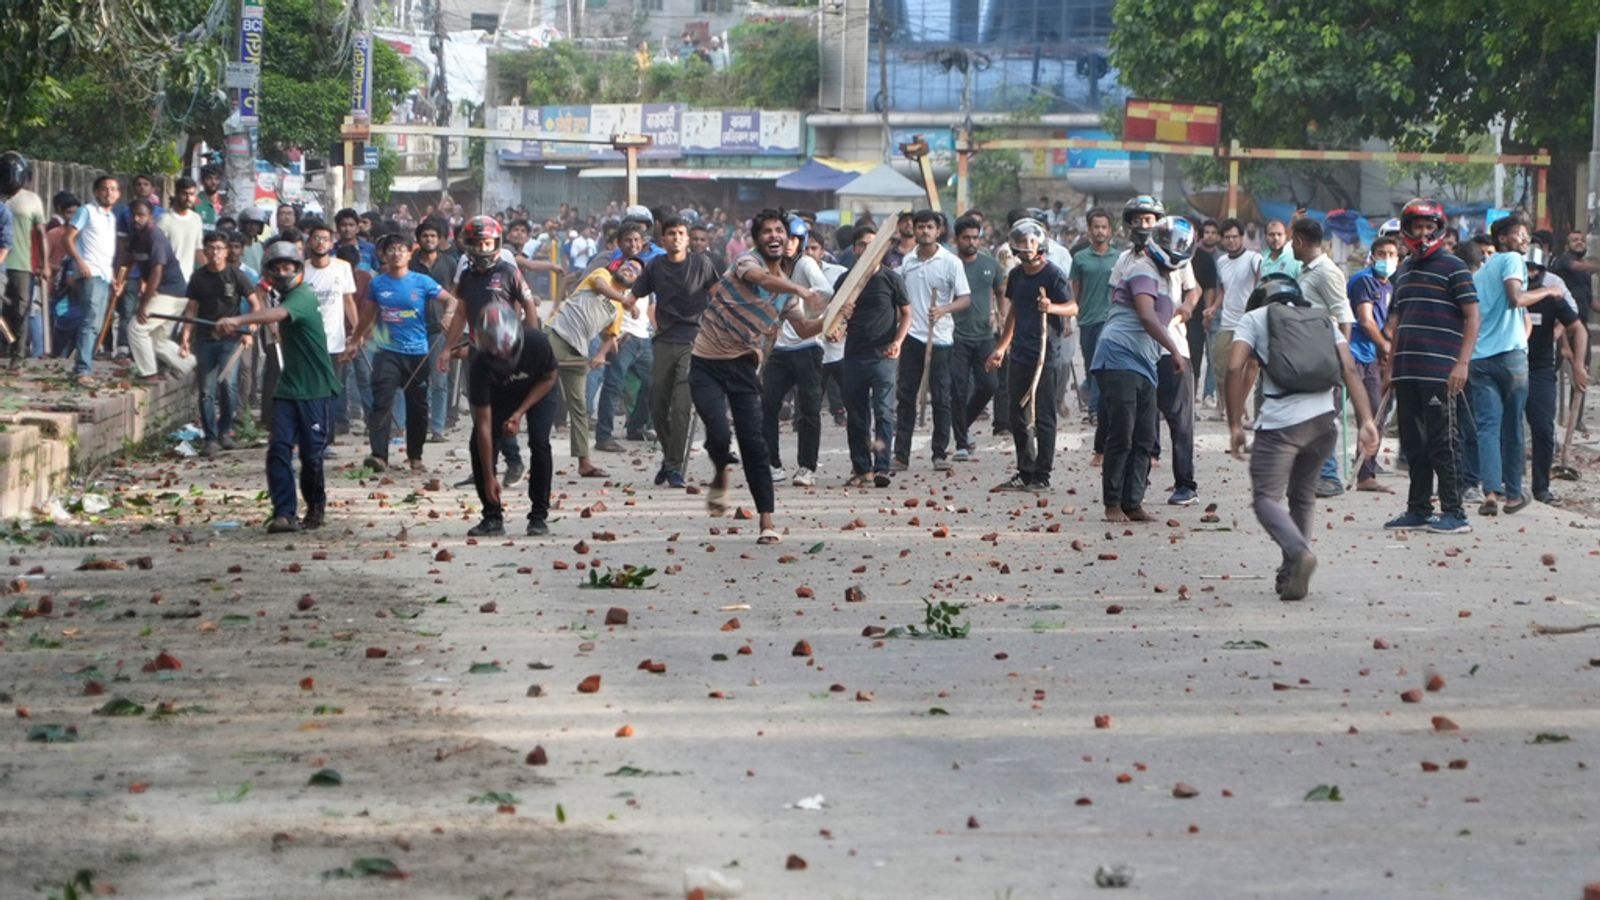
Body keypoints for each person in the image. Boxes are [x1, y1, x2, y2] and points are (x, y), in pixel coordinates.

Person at [1227, 275, 1378, 601]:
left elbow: (1234, 367)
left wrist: (1234, 424)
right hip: (1324, 423)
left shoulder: (1255, 318)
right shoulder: (1322, 318)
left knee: (1266, 498)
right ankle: (1291, 572)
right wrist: (1366, 420)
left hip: (1281, 425)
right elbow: (1349, 368)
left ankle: (1298, 552)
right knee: (1303, 496)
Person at [690, 210, 826, 543]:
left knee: (754, 444)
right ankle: (722, 469)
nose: (774, 236)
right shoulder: (746, 262)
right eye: (766, 231)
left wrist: (835, 319)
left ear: (790, 240)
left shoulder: (788, 295)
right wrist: (804, 291)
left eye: (779, 230)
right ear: (757, 239)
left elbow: (806, 327)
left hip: (744, 368)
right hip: (705, 363)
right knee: (719, 436)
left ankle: (767, 521)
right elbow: (763, 281)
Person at [214, 241, 341, 533]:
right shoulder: (279, 296)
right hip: (288, 388)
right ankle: (284, 513)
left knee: (311, 457)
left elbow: (278, 315)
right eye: (277, 269)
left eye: (288, 267)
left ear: (298, 269)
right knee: (278, 449)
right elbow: (267, 313)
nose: (283, 273)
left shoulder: (303, 295)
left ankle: (316, 504)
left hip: (316, 388)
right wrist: (236, 324)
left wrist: (237, 318)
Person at [1382, 198, 1480, 534]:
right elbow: (1397, 323)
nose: (1423, 234)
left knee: (1444, 443)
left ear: (1438, 230)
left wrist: (1462, 363)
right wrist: (1390, 368)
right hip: (1407, 372)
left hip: (1441, 373)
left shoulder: (1454, 267)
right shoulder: (1404, 271)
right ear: (1406, 230)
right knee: (1414, 445)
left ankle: (1455, 512)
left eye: (1429, 227)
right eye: (1417, 227)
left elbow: (1472, 317)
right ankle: (1418, 509)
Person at [1092, 216, 1192, 522]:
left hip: (1145, 361)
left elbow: (1179, 304)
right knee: (1122, 432)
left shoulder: (1165, 276)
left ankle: (1133, 502)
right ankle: (1112, 503)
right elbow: (1148, 317)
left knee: (1145, 436)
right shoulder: (1141, 269)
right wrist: (1174, 350)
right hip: (1119, 355)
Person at [347, 233, 459, 473]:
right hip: (387, 351)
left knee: (417, 407)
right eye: (392, 250)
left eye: (401, 250)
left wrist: (448, 314)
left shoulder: (422, 281)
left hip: (417, 353)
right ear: (383, 254)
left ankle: (415, 456)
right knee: (382, 402)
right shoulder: (377, 283)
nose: (396, 253)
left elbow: (452, 301)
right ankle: (379, 455)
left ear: (410, 254)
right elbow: (368, 314)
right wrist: (355, 340)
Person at [1467, 216, 1555, 515]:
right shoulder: (1513, 261)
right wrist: (1547, 292)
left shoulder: (1481, 271)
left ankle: (1490, 492)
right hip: (1510, 357)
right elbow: (1516, 298)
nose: (1525, 238)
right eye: (1520, 233)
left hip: (1480, 357)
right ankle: (1514, 494)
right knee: (1513, 426)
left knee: (1488, 427)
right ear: (1503, 239)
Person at [441, 216, 536, 486]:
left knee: (502, 411)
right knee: (478, 413)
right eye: (478, 244)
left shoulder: (509, 271)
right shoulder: (468, 277)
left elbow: (528, 305)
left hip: (506, 352)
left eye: (488, 243)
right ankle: (484, 469)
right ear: (468, 245)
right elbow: (461, 312)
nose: (483, 249)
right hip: (477, 351)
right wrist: (447, 348)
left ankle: (514, 460)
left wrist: (531, 340)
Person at [986, 219, 1076, 491]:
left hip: (1046, 354)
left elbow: (1073, 308)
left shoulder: (1053, 275)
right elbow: (1014, 311)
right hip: (1021, 353)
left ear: (1041, 245)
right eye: (1021, 243)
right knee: (1018, 413)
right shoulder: (1015, 276)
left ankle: (1042, 474)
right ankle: (1025, 470)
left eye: (1031, 243)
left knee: (1044, 414)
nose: (1026, 248)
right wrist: (1002, 347)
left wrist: (1051, 307)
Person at [632, 215, 719, 488]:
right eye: (671, 233)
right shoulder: (655, 265)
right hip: (663, 342)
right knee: (657, 405)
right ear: (663, 239)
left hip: (694, 342)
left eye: (681, 233)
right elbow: (634, 295)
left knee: (681, 407)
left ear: (687, 237)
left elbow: (718, 295)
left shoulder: (702, 263)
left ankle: (673, 467)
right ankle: (670, 458)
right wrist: (625, 304)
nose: (677, 238)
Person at [464, 300, 560, 537]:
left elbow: (549, 377)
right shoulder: (479, 366)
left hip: (538, 389)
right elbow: (484, 425)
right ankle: (492, 516)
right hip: (501, 394)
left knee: (539, 442)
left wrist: (518, 414)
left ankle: (538, 516)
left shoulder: (536, 342)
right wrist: (489, 477)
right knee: (478, 444)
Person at [893, 209, 972, 472]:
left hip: (940, 338)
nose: (924, 231)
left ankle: (939, 452)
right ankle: (901, 454)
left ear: (938, 231)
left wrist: (943, 310)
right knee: (906, 396)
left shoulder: (951, 262)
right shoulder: (907, 262)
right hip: (912, 336)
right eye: (920, 227)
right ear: (913, 230)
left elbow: (964, 298)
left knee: (941, 397)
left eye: (929, 227)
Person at [550, 257, 643, 479]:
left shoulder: (618, 311)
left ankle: (584, 463)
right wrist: (626, 300)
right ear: (617, 268)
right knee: (532, 389)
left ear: (637, 281)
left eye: (635, 271)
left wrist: (601, 354)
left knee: (579, 408)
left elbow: (611, 337)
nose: (629, 270)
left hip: (578, 351)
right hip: (555, 336)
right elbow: (602, 288)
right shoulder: (601, 275)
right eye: (627, 266)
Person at [833, 226, 911, 487]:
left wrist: (898, 342)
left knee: (884, 411)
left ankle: (881, 467)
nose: (867, 250)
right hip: (854, 356)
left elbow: (907, 314)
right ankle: (861, 469)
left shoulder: (891, 279)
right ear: (855, 249)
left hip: (883, 356)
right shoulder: (845, 282)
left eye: (872, 245)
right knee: (856, 415)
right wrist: (842, 317)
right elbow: (833, 324)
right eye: (862, 245)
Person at [762, 216, 833, 487]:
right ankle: (772, 463)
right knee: (767, 404)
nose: (787, 244)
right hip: (779, 347)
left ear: (800, 242)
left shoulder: (805, 264)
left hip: (807, 347)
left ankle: (807, 466)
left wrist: (809, 309)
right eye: (783, 238)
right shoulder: (769, 266)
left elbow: (825, 290)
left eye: (793, 239)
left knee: (809, 409)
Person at [1288, 217, 1357, 498]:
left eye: (1293, 240)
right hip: (1307, 356)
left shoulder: (1326, 272)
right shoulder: (1307, 271)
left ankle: (1329, 477)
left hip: (1324, 358)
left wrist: (1340, 361)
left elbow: (1344, 316)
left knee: (1320, 419)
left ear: (1300, 242)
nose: (1291, 245)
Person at [180, 231, 260, 455]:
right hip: (204, 339)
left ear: (226, 252)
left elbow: (256, 304)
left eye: (219, 248)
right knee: (206, 390)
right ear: (204, 251)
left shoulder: (236, 276)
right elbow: (192, 310)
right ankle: (210, 437)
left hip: (230, 340)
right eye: (210, 248)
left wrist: (250, 329)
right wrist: (185, 338)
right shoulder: (198, 278)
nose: (215, 253)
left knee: (228, 386)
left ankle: (225, 430)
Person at [1522, 246, 1589, 504]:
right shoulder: (1507, 295)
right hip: (1508, 368)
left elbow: (1579, 329)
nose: (1530, 274)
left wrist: (1579, 365)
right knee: (1507, 429)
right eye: (1525, 269)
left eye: (1534, 269)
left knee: (1543, 429)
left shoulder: (1553, 297)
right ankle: (1506, 484)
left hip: (1540, 369)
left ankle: (1541, 486)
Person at [121, 199, 198, 382]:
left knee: (137, 328)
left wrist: (143, 305)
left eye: (141, 215)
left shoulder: (155, 237)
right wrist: (119, 281)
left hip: (170, 292)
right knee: (157, 341)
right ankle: (192, 364)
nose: (136, 219)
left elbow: (157, 272)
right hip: (167, 293)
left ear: (151, 217)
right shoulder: (136, 236)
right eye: (133, 215)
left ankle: (149, 373)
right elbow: (129, 260)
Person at [1347, 236, 1399, 491]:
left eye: (1391, 254)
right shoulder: (1364, 281)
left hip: (1369, 357)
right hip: (1352, 354)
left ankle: (1365, 473)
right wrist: (1384, 345)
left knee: (1373, 415)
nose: (1386, 259)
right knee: (1330, 413)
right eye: (1381, 254)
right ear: (1372, 256)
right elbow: (1366, 320)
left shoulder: (1389, 285)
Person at [951, 215, 1005, 460]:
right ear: (957, 239)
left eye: (975, 237)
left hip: (985, 335)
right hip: (955, 336)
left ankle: (963, 425)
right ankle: (961, 442)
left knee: (989, 385)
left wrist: (1002, 316)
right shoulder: (950, 264)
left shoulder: (990, 264)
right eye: (966, 238)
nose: (971, 242)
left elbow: (1001, 290)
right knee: (958, 388)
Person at [1203, 218, 1262, 427]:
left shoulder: (1254, 258)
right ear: (1222, 239)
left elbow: (1261, 276)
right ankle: (1225, 404)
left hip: (1250, 321)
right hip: (1227, 321)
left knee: (1251, 364)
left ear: (1242, 237)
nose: (1231, 241)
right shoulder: (1221, 262)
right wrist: (1213, 307)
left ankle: (1237, 404)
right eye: (1227, 237)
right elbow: (1225, 289)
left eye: (1235, 237)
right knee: (1222, 368)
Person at [62, 175, 120, 386]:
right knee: (90, 321)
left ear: (118, 194)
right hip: (91, 273)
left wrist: (113, 276)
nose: (109, 193)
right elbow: (67, 238)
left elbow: (106, 250)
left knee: (96, 323)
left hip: (104, 274)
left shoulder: (111, 218)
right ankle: (82, 370)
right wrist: (80, 263)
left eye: (113, 189)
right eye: (105, 189)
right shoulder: (87, 211)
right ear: (96, 192)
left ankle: (81, 364)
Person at [409, 218, 457, 442]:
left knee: (440, 379)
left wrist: (452, 318)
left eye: (433, 236)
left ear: (439, 239)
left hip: (440, 328)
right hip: (413, 327)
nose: (429, 239)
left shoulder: (449, 263)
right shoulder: (410, 264)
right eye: (425, 236)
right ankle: (419, 424)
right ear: (418, 239)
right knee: (416, 379)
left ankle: (437, 428)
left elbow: (456, 294)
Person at [1070, 208, 1117, 428]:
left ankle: (1097, 409)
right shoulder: (1080, 259)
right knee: (1092, 366)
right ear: (1089, 230)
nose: (1100, 231)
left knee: (1106, 364)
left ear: (1110, 231)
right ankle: (1096, 405)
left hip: (1111, 320)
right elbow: (1075, 292)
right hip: (1087, 319)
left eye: (1104, 227)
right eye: (1096, 227)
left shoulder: (1119, 258)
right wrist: (1068, 318)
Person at [2, 152, 47, 363]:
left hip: (21, 263)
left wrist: (44, 264)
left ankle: (17, 356)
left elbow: (41, 233)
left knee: (20, 310)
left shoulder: (32, 200)